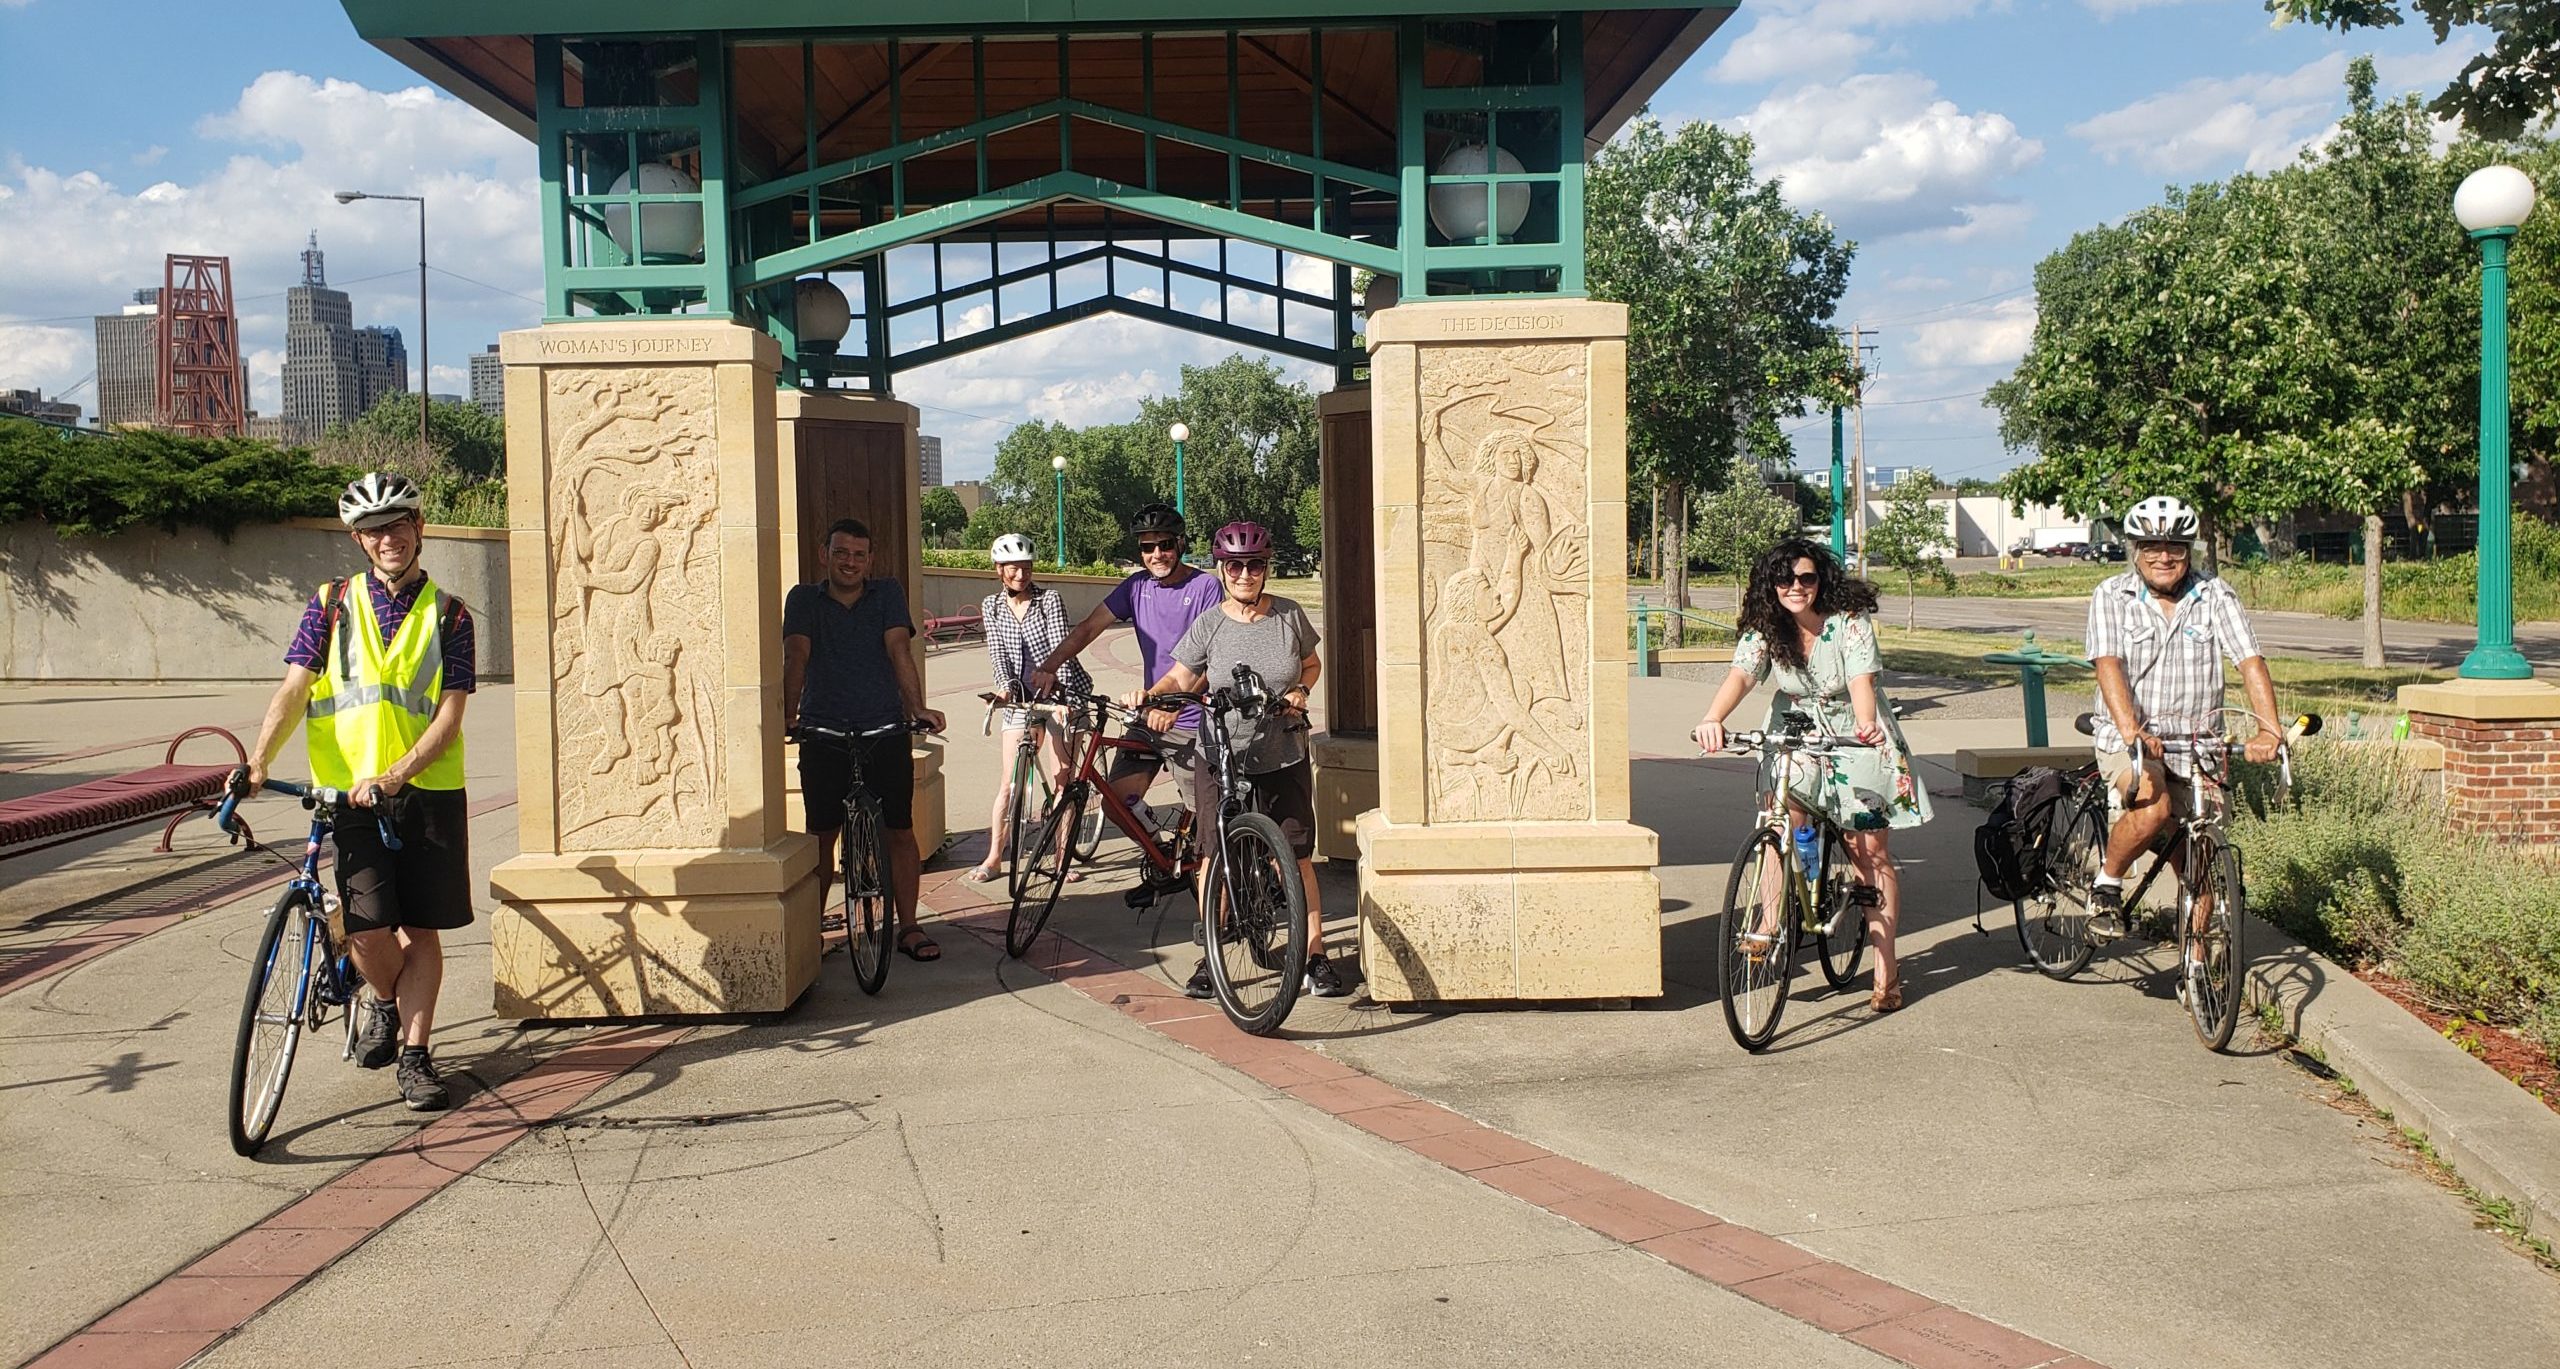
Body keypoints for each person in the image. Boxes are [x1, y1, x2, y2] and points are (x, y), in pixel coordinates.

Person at [238, 472, 474, 1111]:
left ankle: (417, 1058)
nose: (387, 537)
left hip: (426, 792)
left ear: (418, 528)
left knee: (422, 930)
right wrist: (259, 760)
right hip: (347, 799)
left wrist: (398, 772)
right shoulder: (329, 604)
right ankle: (383, 1000)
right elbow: (294, 690)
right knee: (369, 931)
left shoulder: (451, 615)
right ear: (358, 540)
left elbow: (449, 715)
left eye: (398, 523)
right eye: (373, 530)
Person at [1691, 538, 1932, 1013]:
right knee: (1780, 815)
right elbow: (1742, 674)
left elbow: (1862, 679)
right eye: (1785, 579)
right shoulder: (1768, 626)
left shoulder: (1849, 623)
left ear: (1821, 580)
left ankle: (1886, 970)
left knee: (1869, 853)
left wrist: (1866, 723)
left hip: (1853, 731)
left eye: (1806, 578)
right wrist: (1712, 717)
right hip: (1796, 727)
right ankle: (1769, 918)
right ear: (1771, 585)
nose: (1796, 588)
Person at [1132, 521, 1346, 999]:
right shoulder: (1210, 623)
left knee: (1296, 857)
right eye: (1236, 565)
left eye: (1254, 565)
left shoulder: (1289, 616)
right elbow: (1182, 677)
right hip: (1219, 754)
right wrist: (1152, 698)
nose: (1245, 573)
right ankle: (1212, 954)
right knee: (1213, 857)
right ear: (1222, 569)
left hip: (1281, 751)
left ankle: (1315, 955)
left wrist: (1300, 689)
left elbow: (1310, 663)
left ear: (1266, 568)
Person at [2084, 496, 2282, 951]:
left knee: (2202, 861)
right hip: (2132, 738)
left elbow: (2249, 660)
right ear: (2134, 548)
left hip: (2198, 744)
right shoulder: (2112, 596)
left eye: (2174, 545)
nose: (2163, 556)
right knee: (2152, 807)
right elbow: (2108, 665)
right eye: (2151, 545)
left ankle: (2195, 968)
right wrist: (2132, 731)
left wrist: (2269, 729)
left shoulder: (2216, 595)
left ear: (2189, 549)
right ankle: (2108, 884)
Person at [783, 518, 948, 962]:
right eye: (841, 553)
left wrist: (917, 708)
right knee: (821, 832)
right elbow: (797, 654)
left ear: (869, 560)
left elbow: (899, 649)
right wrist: (789, 713)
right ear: (825, 555)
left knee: (899, 829)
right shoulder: (803, 599)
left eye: (859, 554)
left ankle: (910, 926)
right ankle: (812, 930)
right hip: (823, 729)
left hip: (882, 727)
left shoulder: (886, 593)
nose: (850, 562)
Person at [1027, 502, 1223, 840]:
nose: (1156, 554)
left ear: (1180, 544)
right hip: (1149, 717)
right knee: (1115, 803)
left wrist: (1176, 705)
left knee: (1206, 816)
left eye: (1164, 544)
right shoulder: (1136, 587)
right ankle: (1161, 859)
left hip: (1193, 722)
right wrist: (1049, 666)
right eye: (1147, 547)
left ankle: (1198, 864)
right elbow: (1088, 628)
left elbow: (1210, 659)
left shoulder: (1205, 587)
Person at [968, 534, 1090, 884]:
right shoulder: (991, 606)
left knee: (1062, 778)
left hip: (1063, 692)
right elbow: (998, 654)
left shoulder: (1049, 600)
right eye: (1013, 569)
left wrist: (1064, 698)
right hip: (1021, 696)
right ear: (999, 570)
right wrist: (1005, 689)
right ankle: (994, 857)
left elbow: (1061, 648)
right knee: (1009, 783)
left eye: (1026, 567)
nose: (1021, 575)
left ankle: (1061, 858)